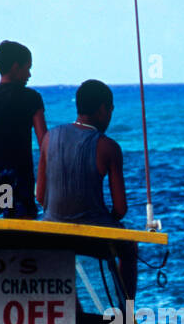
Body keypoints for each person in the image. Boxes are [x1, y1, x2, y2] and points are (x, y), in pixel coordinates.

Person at [37, 79, 138, 298]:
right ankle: (125, 316)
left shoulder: (49, 138)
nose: (110, 116)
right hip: (91, 233)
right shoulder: (108, 146)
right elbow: (120, 209)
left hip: (51, 230)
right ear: (103, 109)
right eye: (110, 110)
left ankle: (74, 311)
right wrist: (105, 218)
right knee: (129, 249)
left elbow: (40, 196)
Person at [0, 40, 48, 219]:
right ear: (15, 67)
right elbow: (45, 143)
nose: (29, 74)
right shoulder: (32, 98)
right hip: (18, 179)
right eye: (27, 68)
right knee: (21, 236)